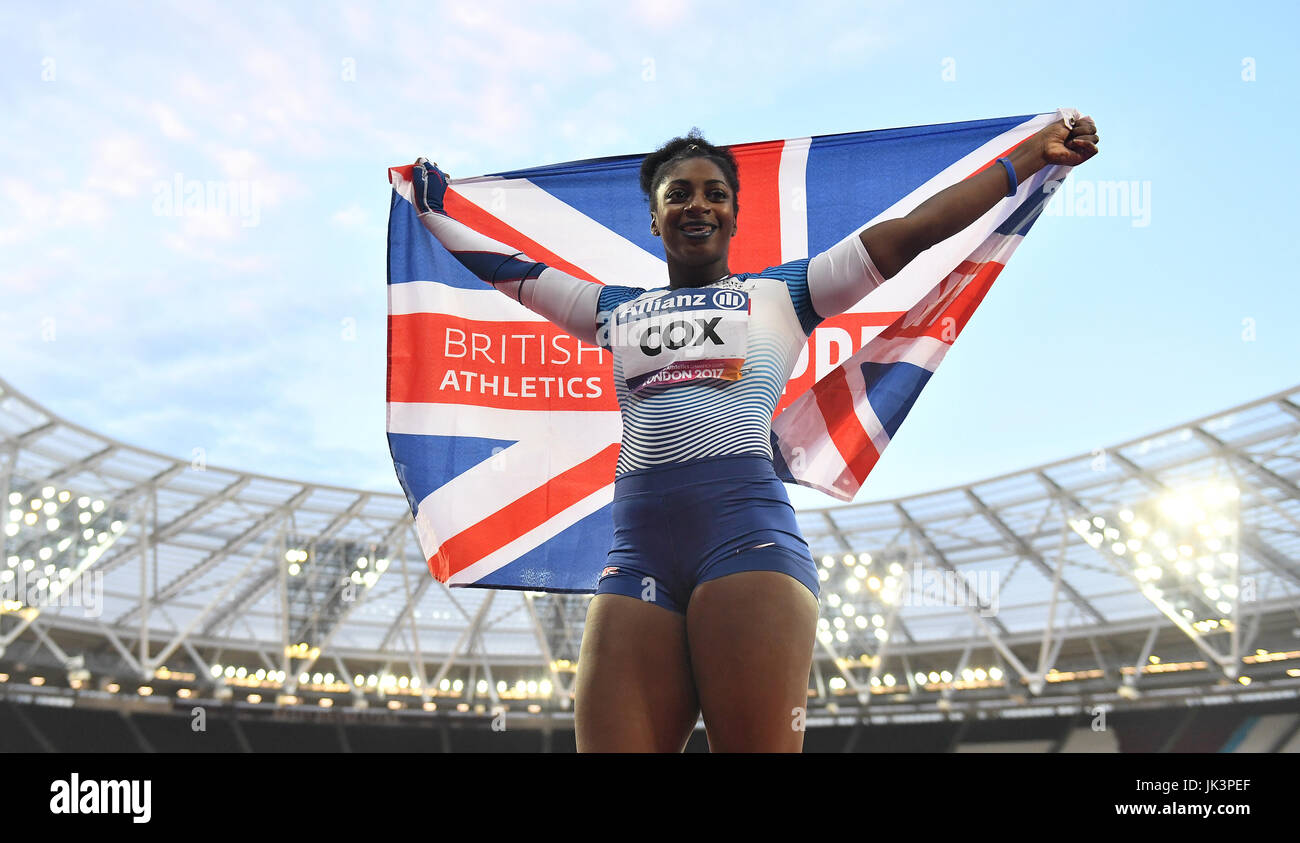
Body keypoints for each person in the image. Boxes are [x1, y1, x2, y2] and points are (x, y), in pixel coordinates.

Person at [407, 111, 1099, 752]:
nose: (697, 205)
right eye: (678, 195)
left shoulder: (788, 293)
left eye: (714, 193)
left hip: (747, 539)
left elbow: (915, 230)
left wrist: (1026, 158)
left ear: (735, 212)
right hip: (636, 552)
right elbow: (509, 271)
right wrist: (434, 213)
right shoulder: (612, 310)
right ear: (654, 218)